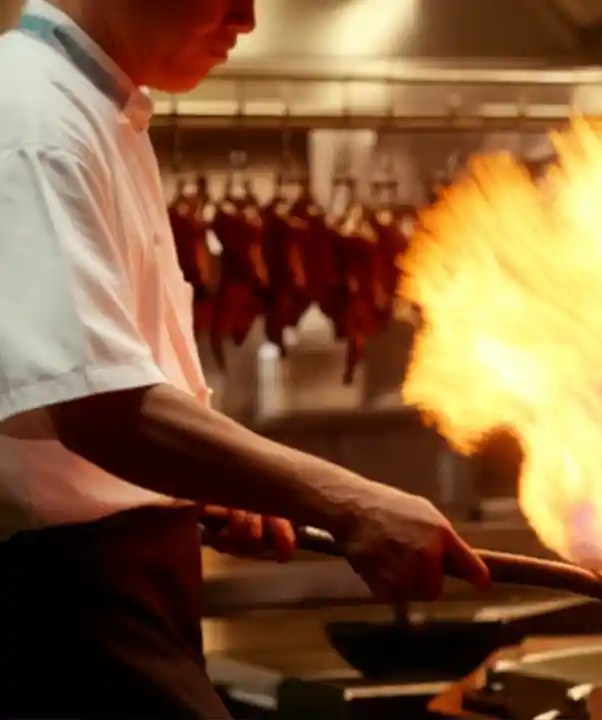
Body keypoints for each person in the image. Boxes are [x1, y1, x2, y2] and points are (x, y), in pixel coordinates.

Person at [0, 1, 491, 717]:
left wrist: (195, 487)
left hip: (120, 587)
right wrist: (349, 502)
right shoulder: (33, 122)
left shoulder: (91, 112)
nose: (246, 19)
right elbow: (100, 409)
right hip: (60, 609)